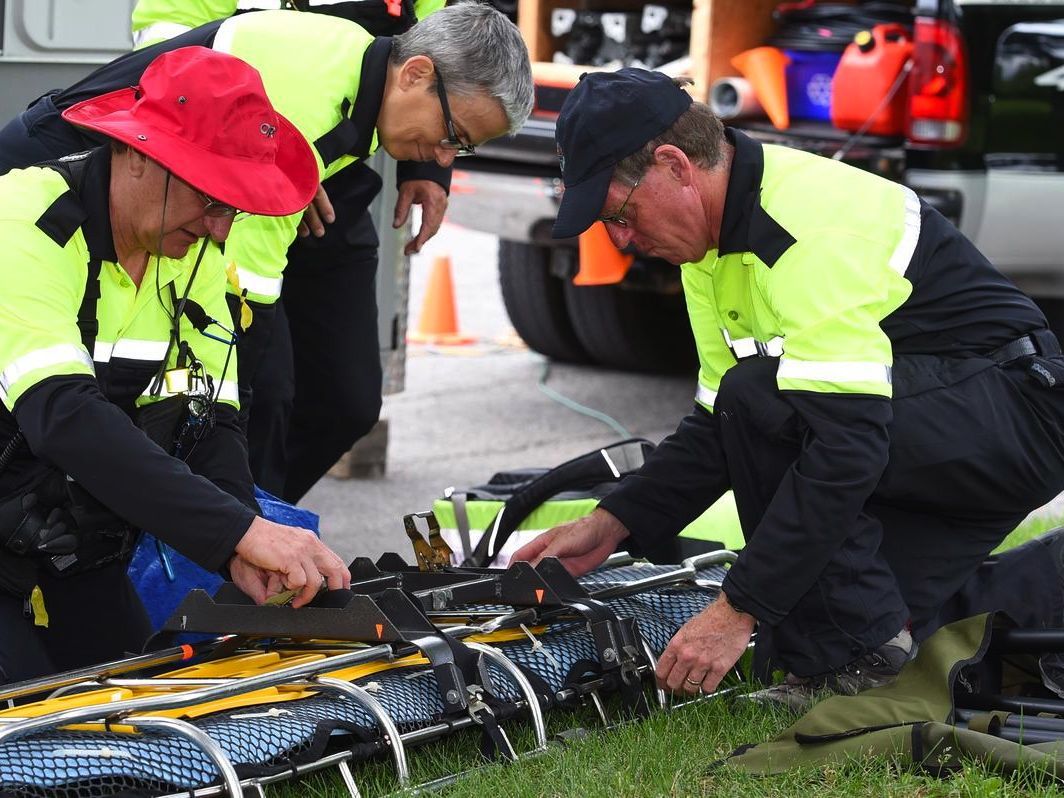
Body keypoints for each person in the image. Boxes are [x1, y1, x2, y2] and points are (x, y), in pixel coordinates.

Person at [514, 68, 1064, 710]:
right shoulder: (710, 245)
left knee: (768, 409)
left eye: (621, 214)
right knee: (916, 621)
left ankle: (858, 665)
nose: (620, 240)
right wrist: (616, 521)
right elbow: (715, 424)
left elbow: (843, 448)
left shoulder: (802, 232)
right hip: (938, 420)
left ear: (674, 165)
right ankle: (897, 641)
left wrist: (737, 608)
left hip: (1015, 414)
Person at [0, 2, 534, 502]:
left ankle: (255, 529)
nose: (445, 155)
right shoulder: (308, 93)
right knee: (251, 397)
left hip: (238, 195)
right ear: (415, 74)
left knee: (341, 401)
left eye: (460, 149)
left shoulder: (368, 80)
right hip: (64, 166)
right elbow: (234, 311)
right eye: (451, 134)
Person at [0, 46, 351, 684]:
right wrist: (236, 532)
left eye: (234, 208)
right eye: (210, 198)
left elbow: (211, 417)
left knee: (146, 722)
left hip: (66, 554)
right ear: (136, 152)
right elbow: (65, 416)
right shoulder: (21, 221)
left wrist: (242, 552)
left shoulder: (192, 248)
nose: (220, 230)